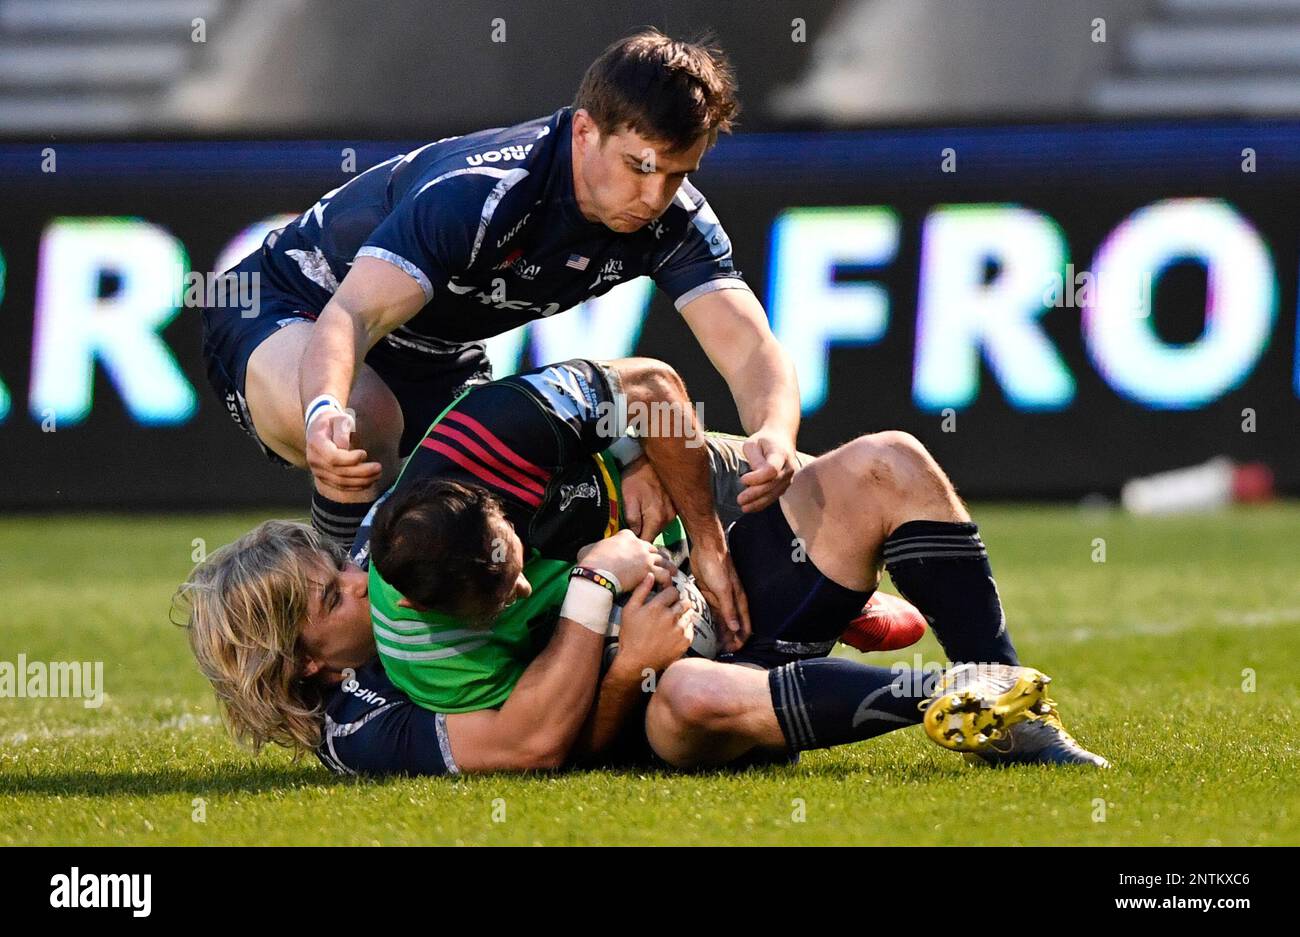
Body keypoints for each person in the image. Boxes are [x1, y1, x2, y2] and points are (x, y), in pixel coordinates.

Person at [179, 358, 1108, 776]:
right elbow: (544, 748)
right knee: (691, 693)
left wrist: (698, 513)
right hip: (666, 688)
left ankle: (1010, 705)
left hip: (698, 584)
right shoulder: (371, 714)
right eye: (328, 594)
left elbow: (659, 393)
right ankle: (926, 688)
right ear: (306, 660)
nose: (353, 573)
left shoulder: (461, 461)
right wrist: (616, 651)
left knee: (887, 462)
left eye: (337, 563)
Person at [199, 28, 799, 553]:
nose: (654, 196)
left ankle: (795, 569)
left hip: (433, 351)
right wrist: (322, 408)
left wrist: (774, 432)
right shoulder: (485, 192)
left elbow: (750, 349)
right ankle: (347, 632)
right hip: (283, 307)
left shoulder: (674, 220)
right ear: (585, 131)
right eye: (640, 166)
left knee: (551, 481)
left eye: (677, 174)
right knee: (359, 419)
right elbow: (351, 315)